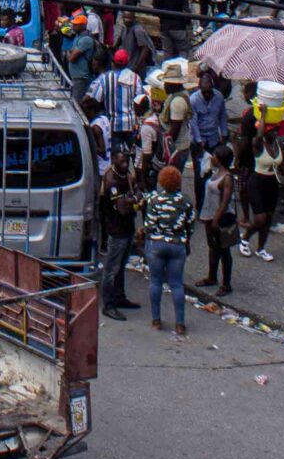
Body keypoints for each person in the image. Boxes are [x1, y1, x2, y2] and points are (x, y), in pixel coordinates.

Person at [139, 164, 196, 335]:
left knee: (155, 281)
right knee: (177, 284)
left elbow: (149, 225)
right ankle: (180, 323)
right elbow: (191, 225)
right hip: (177, 245)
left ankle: (156, 320)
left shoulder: (154, 200)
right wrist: (186, 240)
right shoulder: (185, 201)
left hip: (156, 245)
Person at [97, 140, 141, 319]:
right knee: (111, 269)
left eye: (127, 161)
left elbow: (138, 190)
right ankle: (108, 305)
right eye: (122, 161)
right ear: (113, 159)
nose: (125, 164)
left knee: (121, 265)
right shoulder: (111, 180)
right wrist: (135, 200)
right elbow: (122, 208)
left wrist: (132, 199)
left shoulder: (125, 174)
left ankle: (119, 297)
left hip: (127, 227)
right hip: (116, 230)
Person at [197, 143, 238, 296]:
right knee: (213, 248)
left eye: (214, 156)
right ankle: (212, 277)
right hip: (210, 216)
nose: (212, 158)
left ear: (220, 159)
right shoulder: (215, 173)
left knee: (224, 251)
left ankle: (226, 284)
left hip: (220, 219)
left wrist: (216, 219)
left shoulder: (226, 178)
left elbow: (225, 202)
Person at [240, 129, 284, 263]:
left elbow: (282, 165)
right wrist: (263, 117)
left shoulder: (278, 144)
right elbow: (258, 135)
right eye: (272, 130)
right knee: (260, 218)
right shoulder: (258, 143)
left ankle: (261, 248)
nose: (275, 133)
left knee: (268, 218)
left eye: (276, 130)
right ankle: (245, 238)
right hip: (257, 183)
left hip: (272, 184)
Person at [88, 49, 141, 138]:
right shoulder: (136, 78)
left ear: (113, 63)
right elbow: (140, 99)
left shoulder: (104, 78)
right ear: (127, 63)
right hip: (131, 125)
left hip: (112, 126)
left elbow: (96, 99)